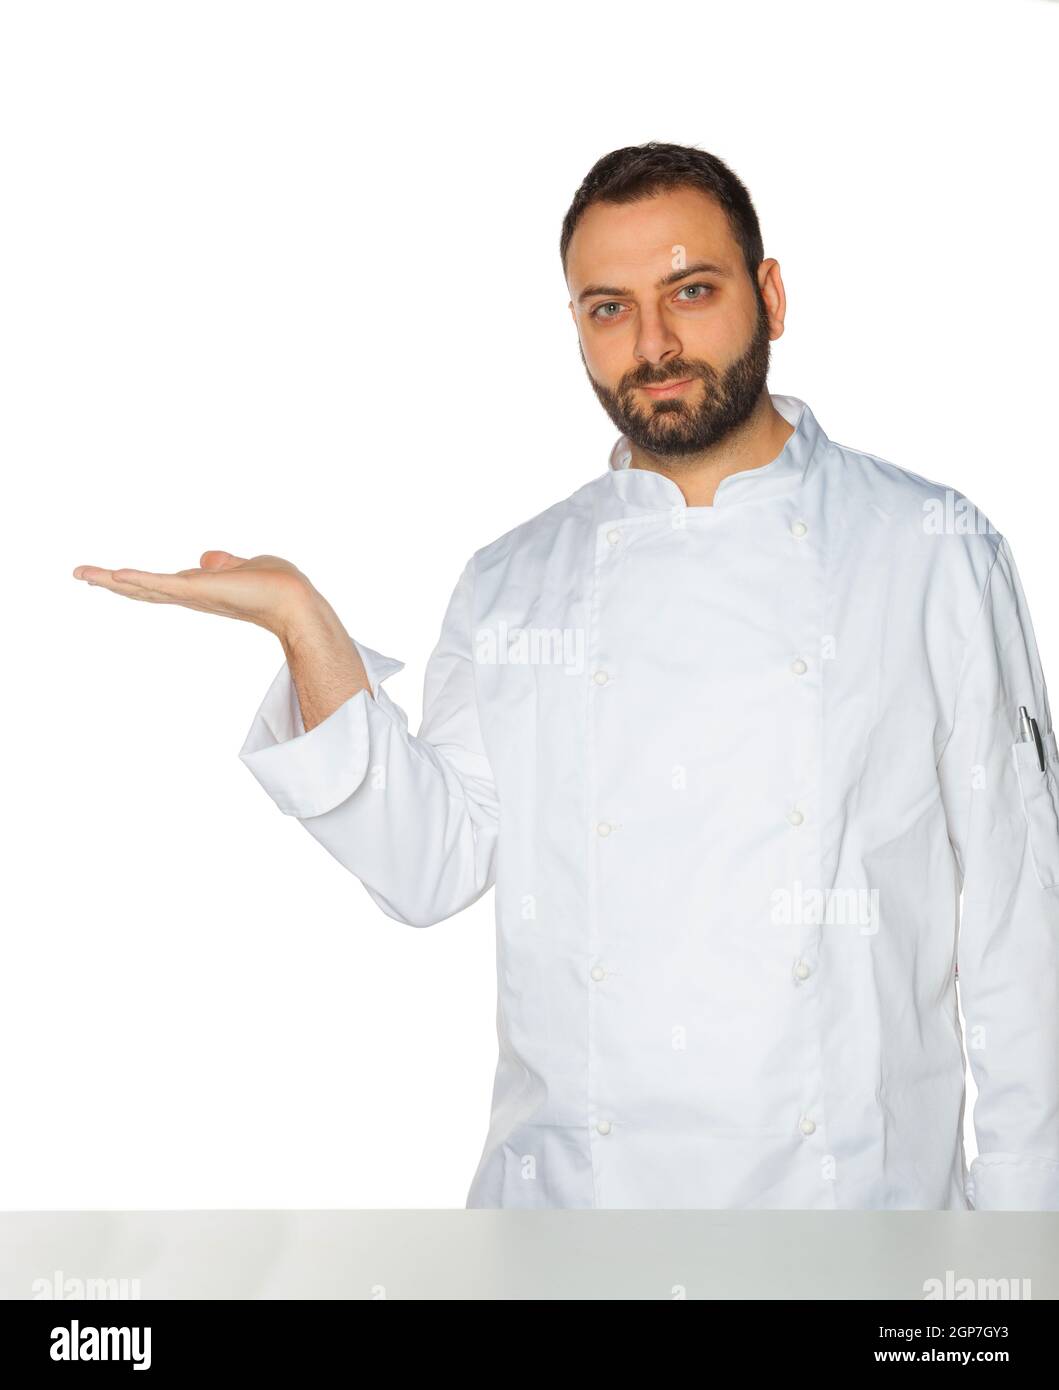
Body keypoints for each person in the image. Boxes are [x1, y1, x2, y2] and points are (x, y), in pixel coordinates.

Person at [72, 141, 1059, 1211]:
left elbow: (1020, 915)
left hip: (857, 1225)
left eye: (691, 290)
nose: (654, 344)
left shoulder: (930, 548)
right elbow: (429, 863)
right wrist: (306, 624)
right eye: (607, 308)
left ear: (770, 293)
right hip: (570, 1226)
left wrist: (1017, 1243)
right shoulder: (515, 579)